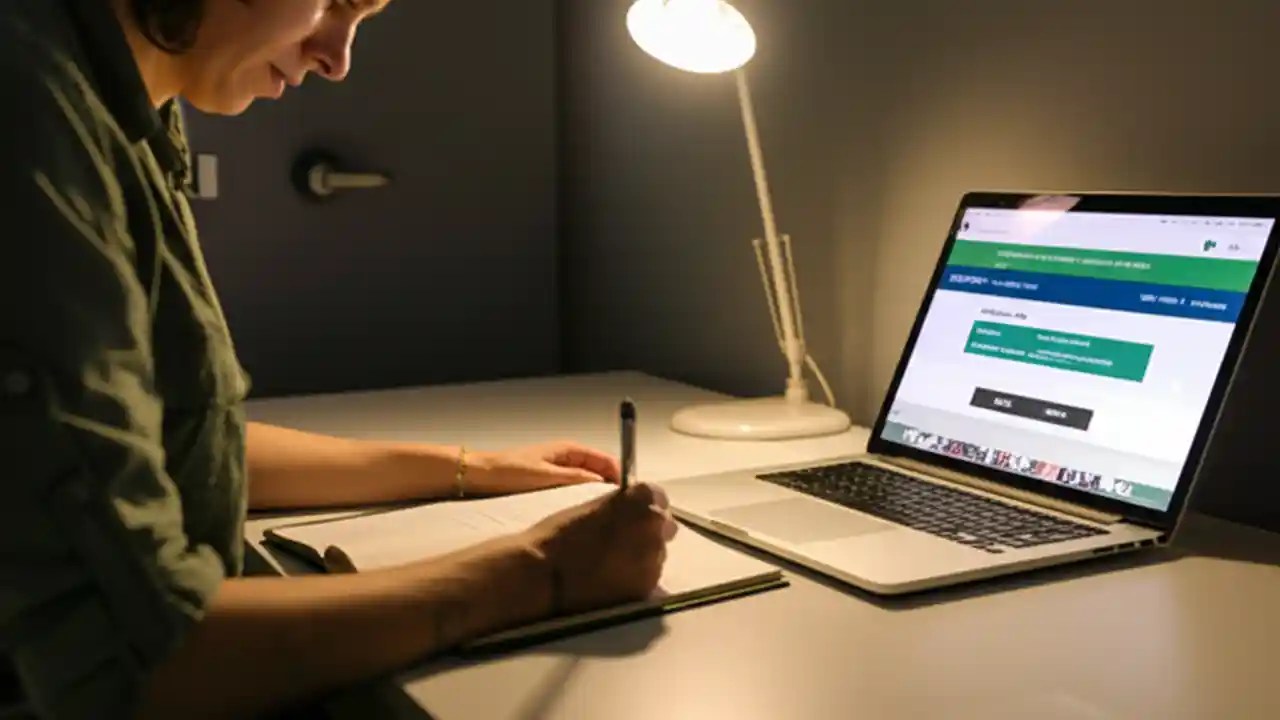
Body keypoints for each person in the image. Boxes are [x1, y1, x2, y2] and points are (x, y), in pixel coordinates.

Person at [0, 1, 677, 718]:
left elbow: (165, 443)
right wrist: (540, 574)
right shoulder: (29, 115)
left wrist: (466, 469)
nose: (337, 58)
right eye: (334, 1)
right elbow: (143, 662)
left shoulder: (126, 102)